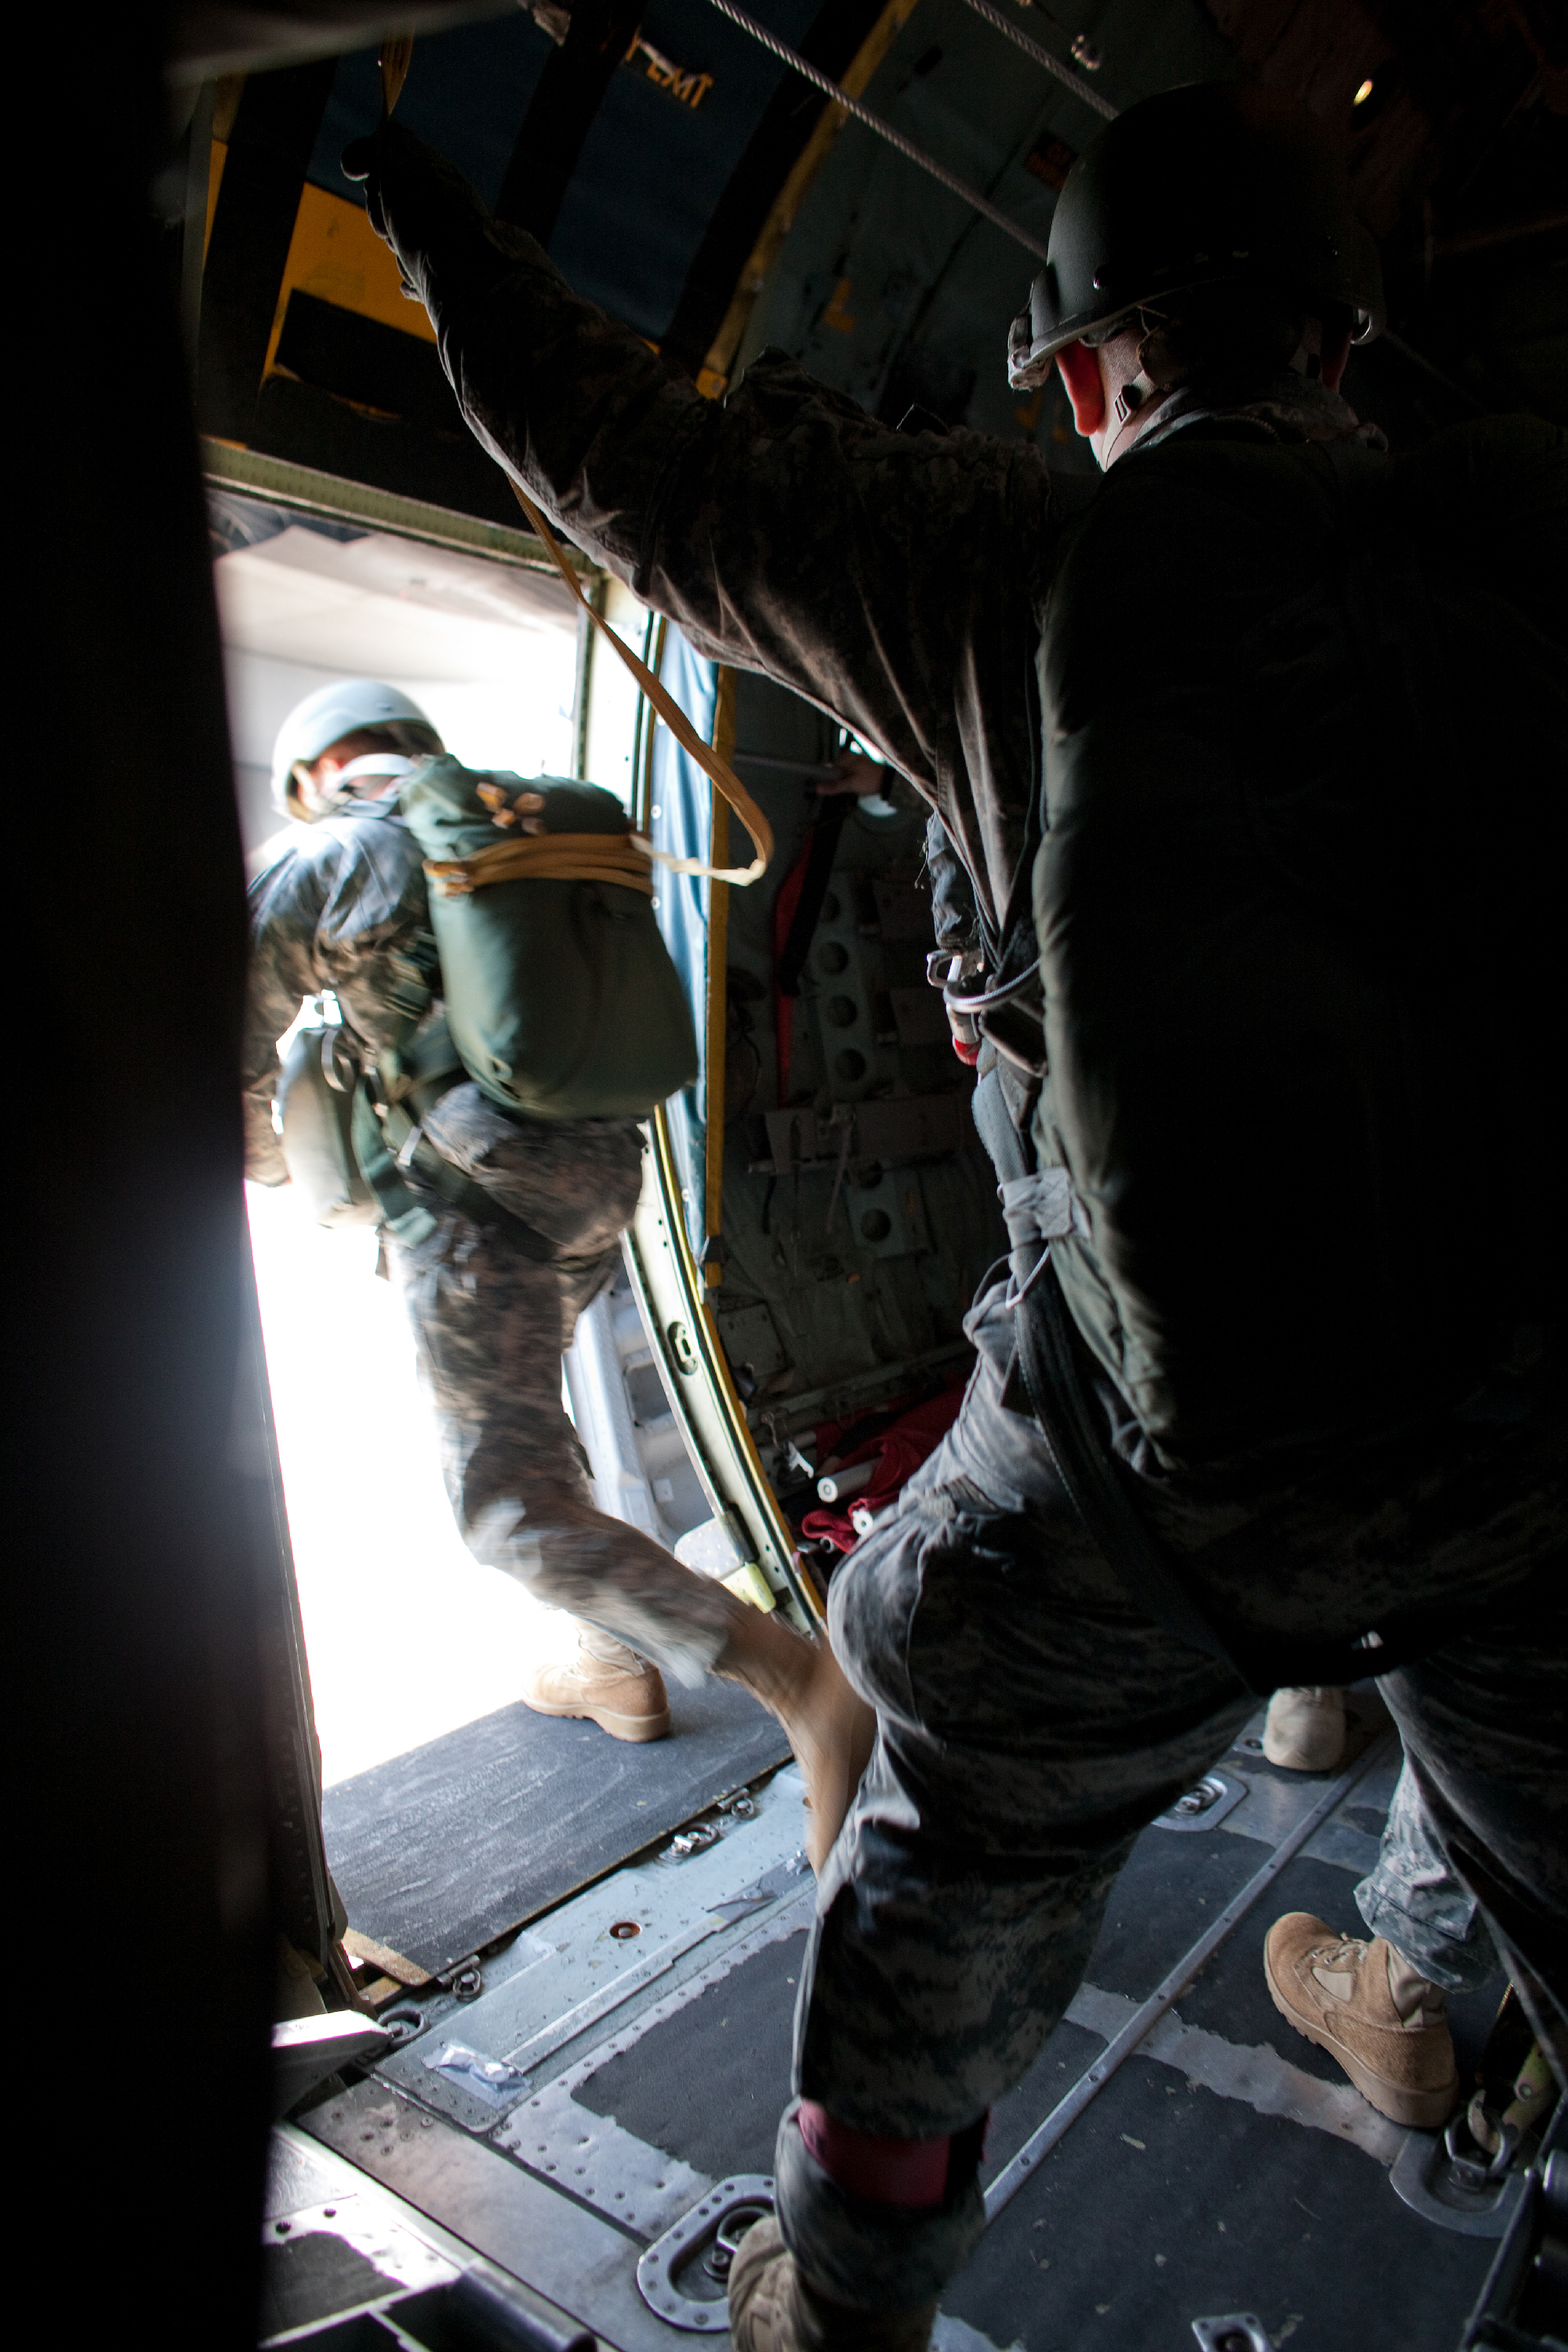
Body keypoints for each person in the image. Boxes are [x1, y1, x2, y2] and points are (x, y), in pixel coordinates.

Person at [341, 82, 1564, 2349]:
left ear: (1089, 373)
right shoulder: (1523, 556)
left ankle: (848, 2291)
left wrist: (424, 189)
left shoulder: (1010, 570)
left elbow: (621, 457)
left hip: (1149, 1477)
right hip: (1536, 1457)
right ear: (1337, 341)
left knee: (940, 1868)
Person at [242, 679, 873, 1819]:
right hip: (596, 1185)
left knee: (503, 1506)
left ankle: (795, 1676)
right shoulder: (519, 832)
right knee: (531, 1419)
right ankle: (608, 1658)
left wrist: (276, 1160)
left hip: (469, 1197)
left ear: (311, 778)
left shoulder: (333, 852)